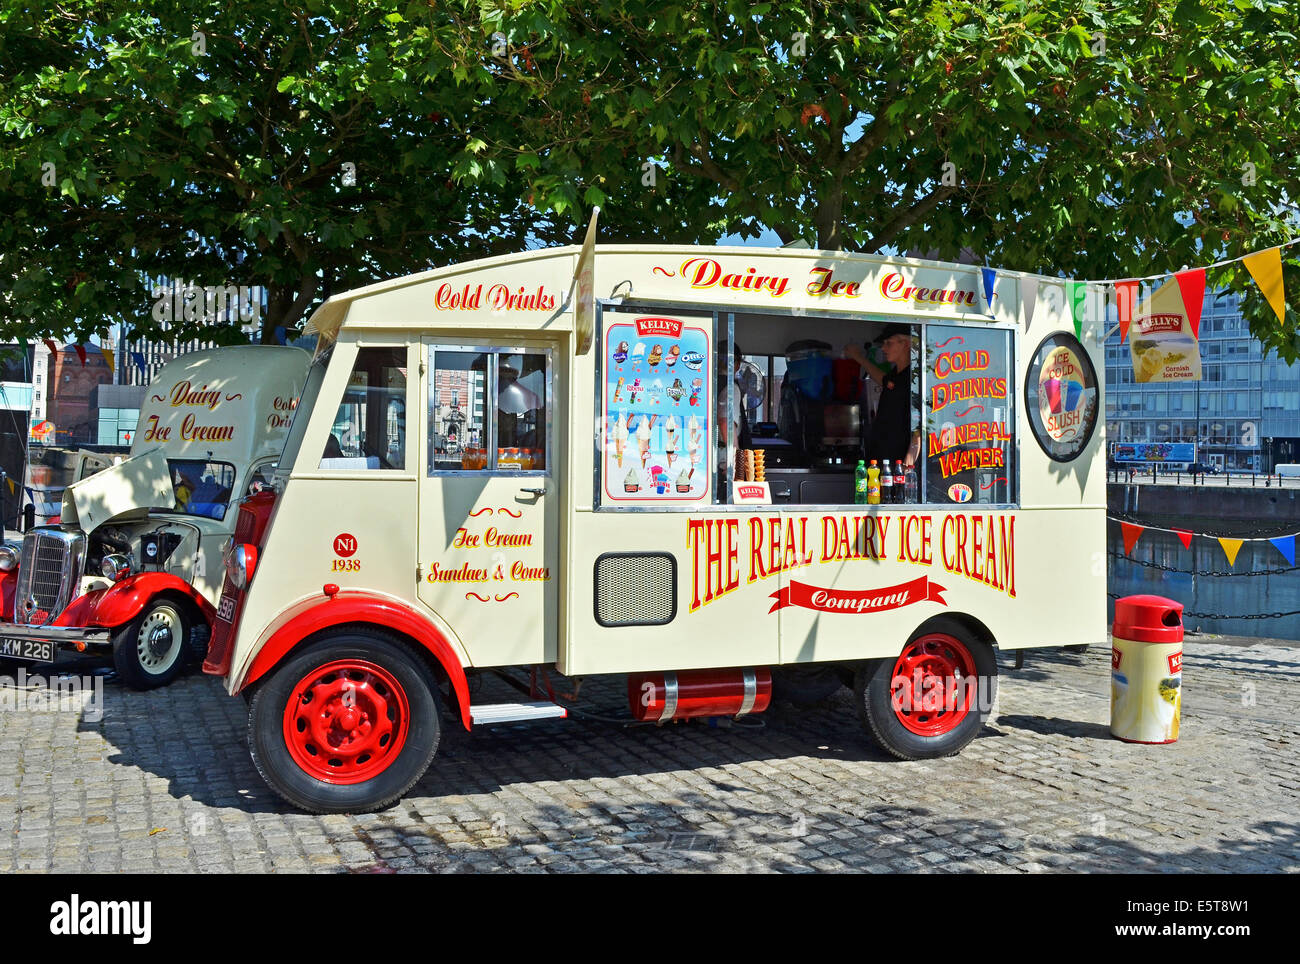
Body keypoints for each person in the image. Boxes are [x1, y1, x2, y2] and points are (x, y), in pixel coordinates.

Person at [844, 323, 920, 467]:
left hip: (900, 458)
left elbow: (923, 419)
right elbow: (883, 380)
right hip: (882, 454)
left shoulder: (915, 377)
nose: (883, 348)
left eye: (888, 343)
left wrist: (912, 452)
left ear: (906, 344)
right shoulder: (896, 374)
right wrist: (858, 357)